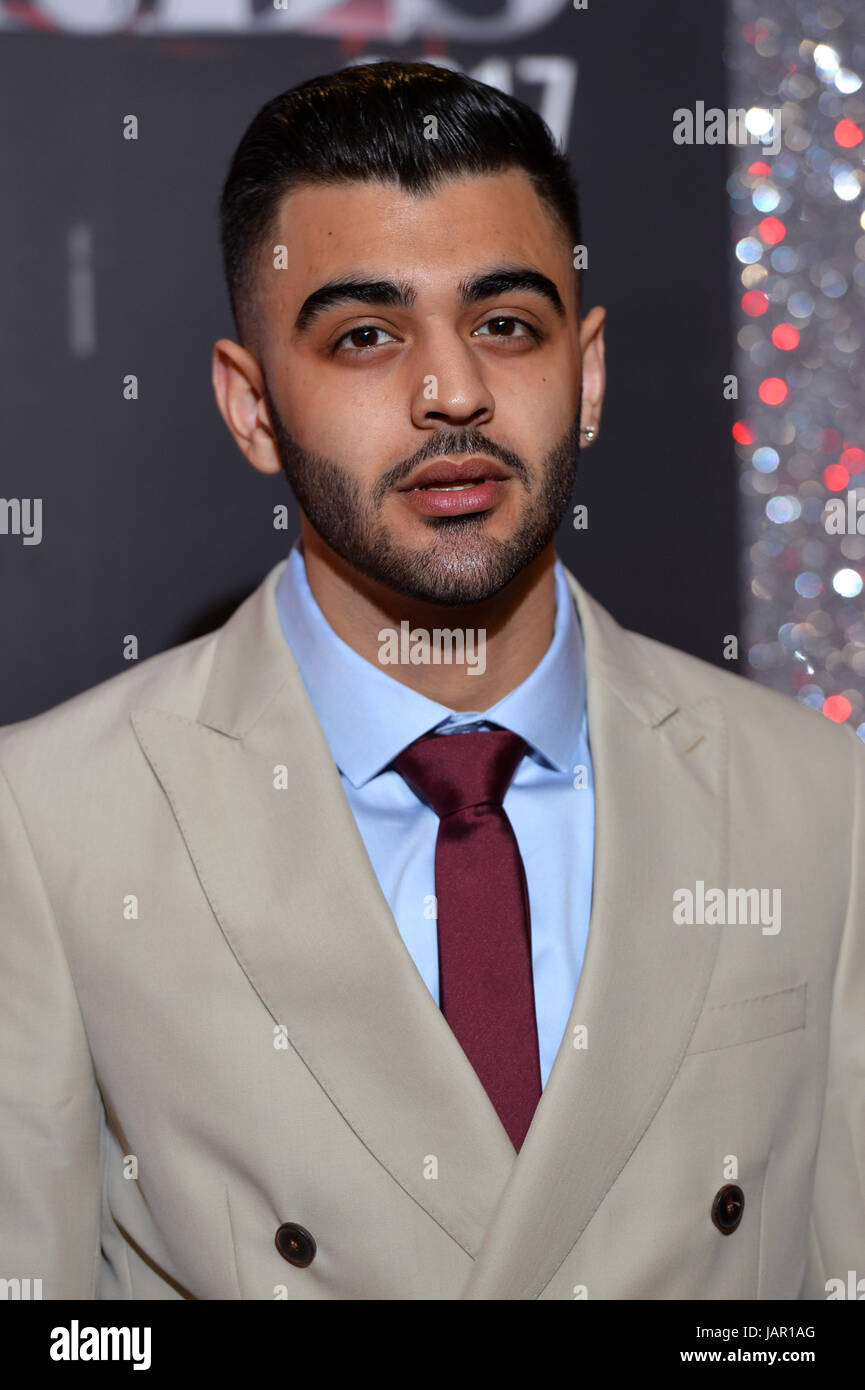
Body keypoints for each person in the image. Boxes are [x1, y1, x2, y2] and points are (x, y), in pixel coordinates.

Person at [1, 60, 862, 1302]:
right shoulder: (49, 826)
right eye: (364, 335)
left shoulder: (814, 801)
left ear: (591, 373)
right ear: (249, 408)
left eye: (506, 324)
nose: (451, 392)